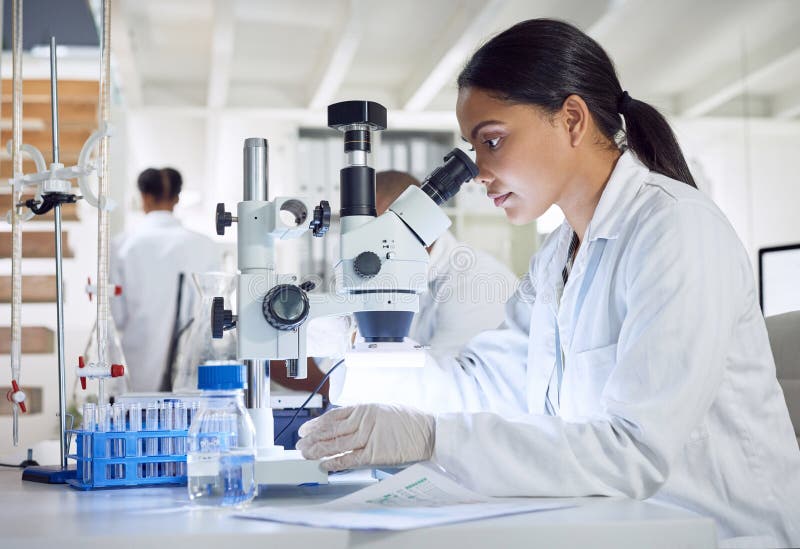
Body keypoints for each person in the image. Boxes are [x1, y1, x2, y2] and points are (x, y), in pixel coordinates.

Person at [297, 19, 800, 547]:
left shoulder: (676, 229)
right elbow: (484, 388)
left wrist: (433, 437)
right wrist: (352, 357)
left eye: (492, 140)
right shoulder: (556, 257)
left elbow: (633, 452)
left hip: (720, 534)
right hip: (611, 526)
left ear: (572, 120)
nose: (479, 172)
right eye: (473, 148)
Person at [111, 168, 223, 392]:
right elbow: (214, 314)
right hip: (193, 365)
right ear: (177, 198)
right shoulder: (206, 246)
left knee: (141, 412)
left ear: (144, 197)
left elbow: (117, 316)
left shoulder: (123, 245)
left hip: (138, 365)